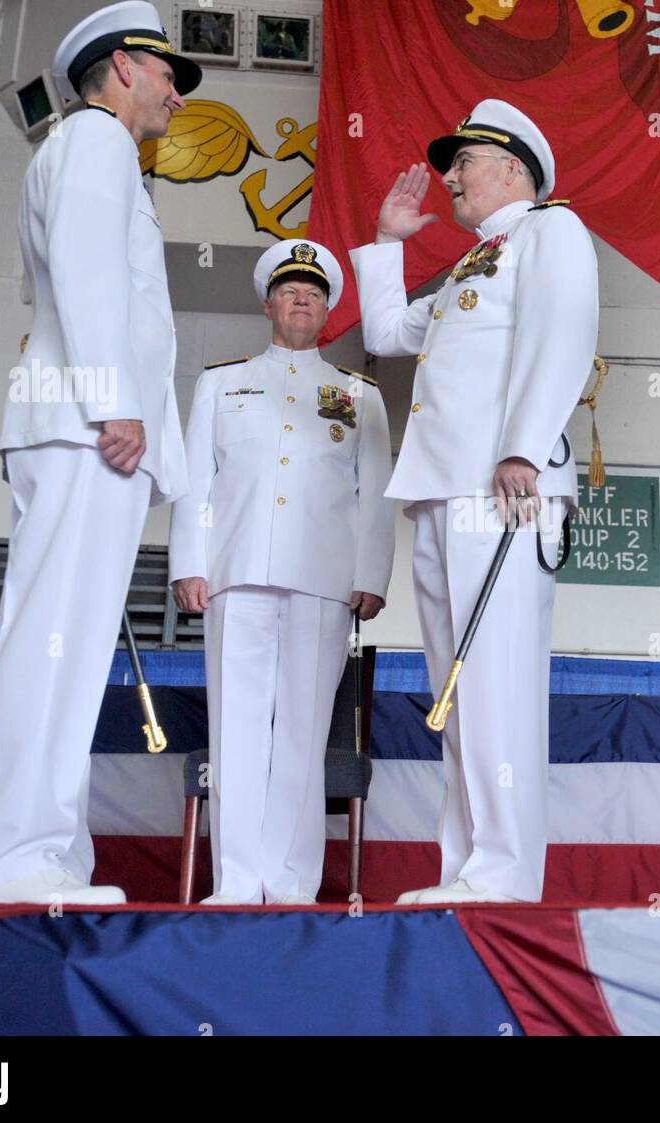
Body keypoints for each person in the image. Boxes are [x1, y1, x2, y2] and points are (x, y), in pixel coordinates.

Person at [0, 1, 202, 905]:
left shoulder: (83, 151)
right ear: (122, 70)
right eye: (168, 77)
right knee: (54, 645)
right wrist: (117, 404)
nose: (179, 99)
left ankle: (5, 850)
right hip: (83, 427)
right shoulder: (99, 144)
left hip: (67, 425)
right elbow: (86, 271)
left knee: (46, 640)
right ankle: (13, 857)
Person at [349, 99, 599, 904]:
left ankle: (504, 869)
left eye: (466, 162)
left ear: (514, 169)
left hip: (502, 488)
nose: (451, 176)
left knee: (496, 678)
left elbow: (562, 331)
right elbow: (387, 334)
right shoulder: (471, 264)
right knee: (457, 685)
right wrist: (388, 242)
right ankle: (469, 865)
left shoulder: (549, 231)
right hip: (441, 487)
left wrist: (524, 446)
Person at [169, 240, 395, 905]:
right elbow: (195, 483)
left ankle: (293, 882)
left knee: (302, 735)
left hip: (323, 580)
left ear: (328, 309)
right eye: (291, 290)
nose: (303, 300)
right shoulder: (221, 382)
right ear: (268, 302)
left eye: (316, 293)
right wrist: (190, 561)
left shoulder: (358, 395)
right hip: (234, 575)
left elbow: (373, 491)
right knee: (234, 732)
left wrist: (372, 573)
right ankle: (237, 881)